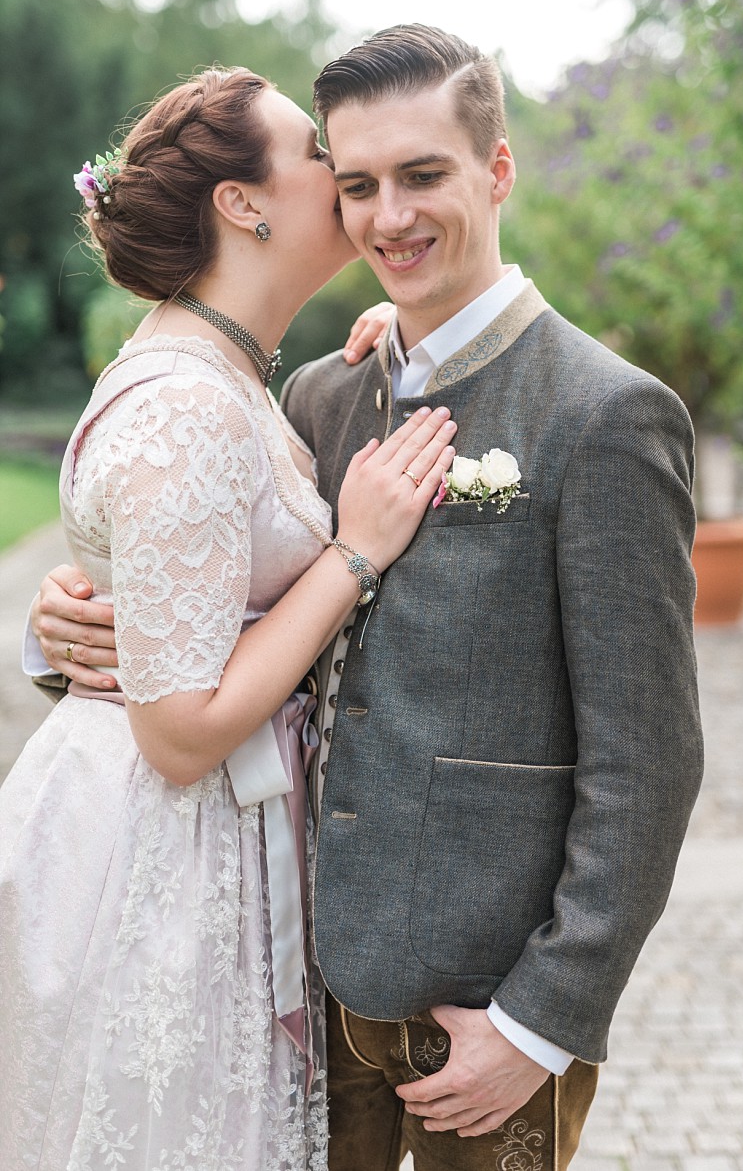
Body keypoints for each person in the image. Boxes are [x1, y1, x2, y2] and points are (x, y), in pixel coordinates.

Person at [30, 26, 704, 1171]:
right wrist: (70, 625)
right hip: (294, 983)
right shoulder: (320, 394)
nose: (388, 215)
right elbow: (222, 591)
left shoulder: (605, 415)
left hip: (478, 1013)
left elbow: (646, 763)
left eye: (423, 176)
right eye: (356, 185)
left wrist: (540, 1020)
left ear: (495, 171)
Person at [0, 64, 458, 1171]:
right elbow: (180, 729)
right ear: (240, 204)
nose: (343, 176)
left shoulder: (230, 378)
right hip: (162, 853)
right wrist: (353, 550)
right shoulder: (193, 404)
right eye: (316, 154)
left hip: (202, 828)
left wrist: (393, 336)